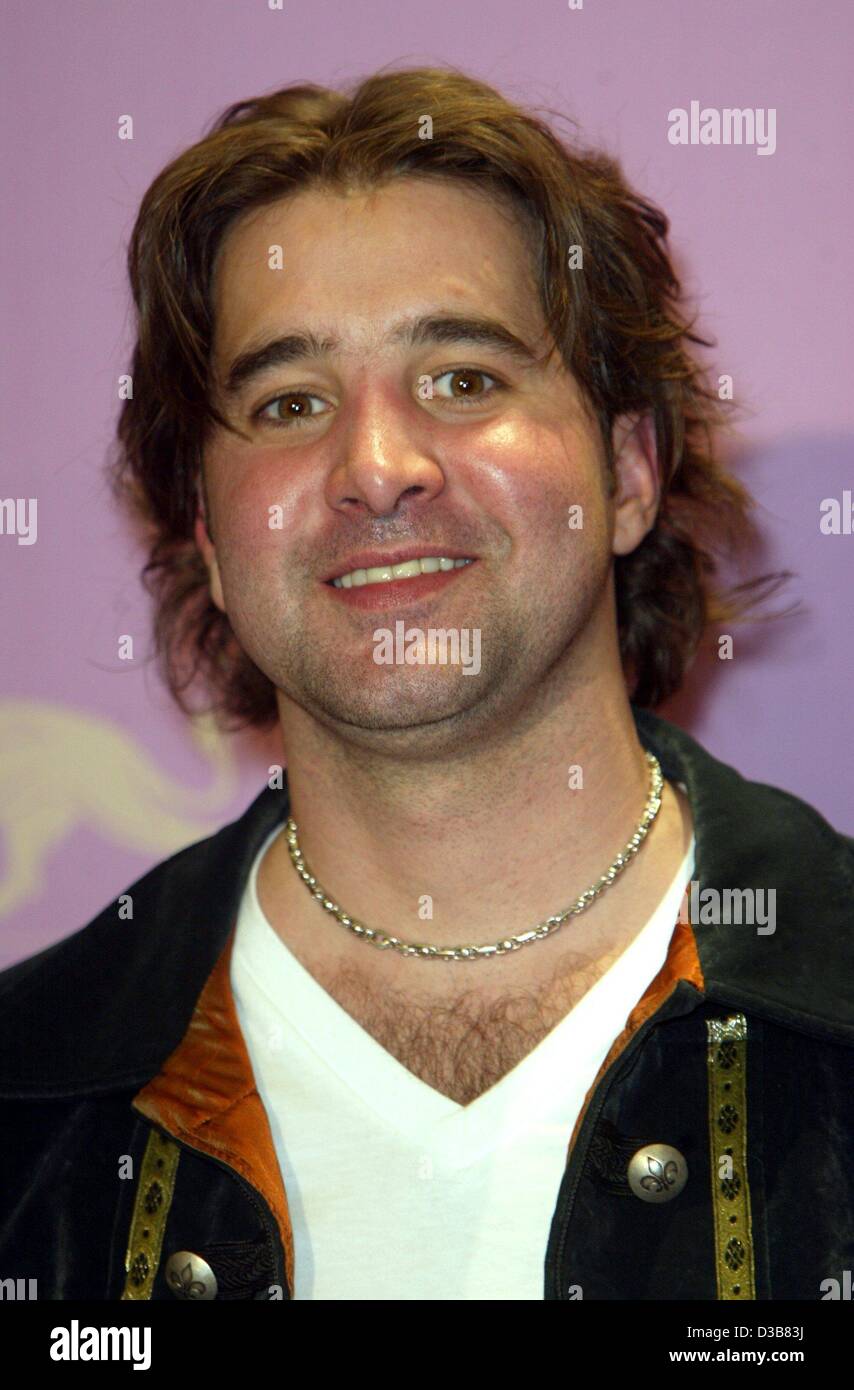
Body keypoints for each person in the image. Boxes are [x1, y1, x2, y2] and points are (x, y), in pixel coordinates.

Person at [1, 66, 852, 1304]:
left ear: (624, 474)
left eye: (463, 378)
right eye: (289, 401)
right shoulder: (33, 1091)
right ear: (208, 535)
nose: (376, 465)